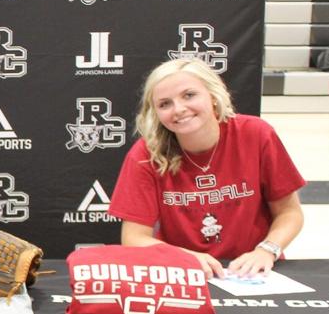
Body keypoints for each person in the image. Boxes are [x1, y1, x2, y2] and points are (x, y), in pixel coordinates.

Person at [111, 58, 306, 277]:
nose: (179, 109)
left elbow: (290, 212)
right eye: (165, 104)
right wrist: (183, 257)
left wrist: (267, 250)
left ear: (213, 96)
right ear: (155, 113)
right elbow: (133, 238)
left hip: (252, 272)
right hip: (183, 272)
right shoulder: (146, 154)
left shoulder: (256, 134)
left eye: (189, 95)